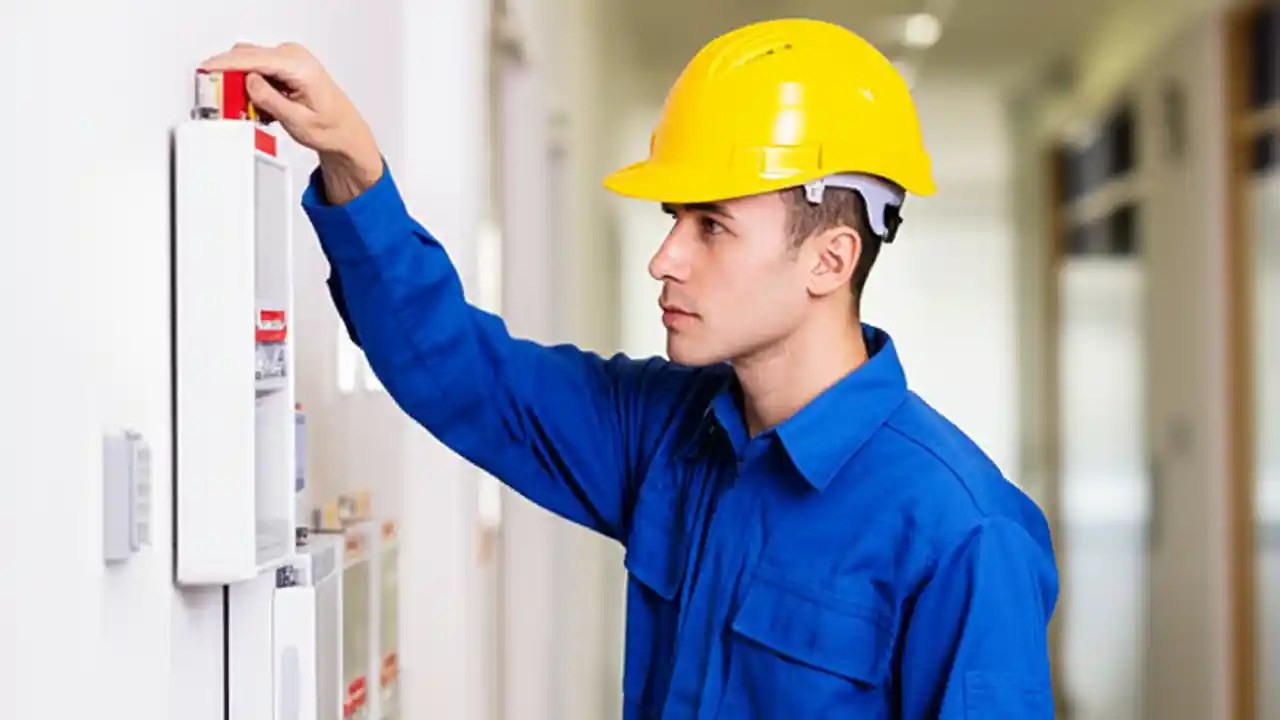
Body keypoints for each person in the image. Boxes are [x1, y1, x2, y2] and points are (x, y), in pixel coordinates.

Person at [204, 17, 1058, 719]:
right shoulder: (668, 436)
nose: (665, 259)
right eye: (672, 217)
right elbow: (462, 371)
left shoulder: (965, 534)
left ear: (829, 260)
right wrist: (354, 165)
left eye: (711, 225)